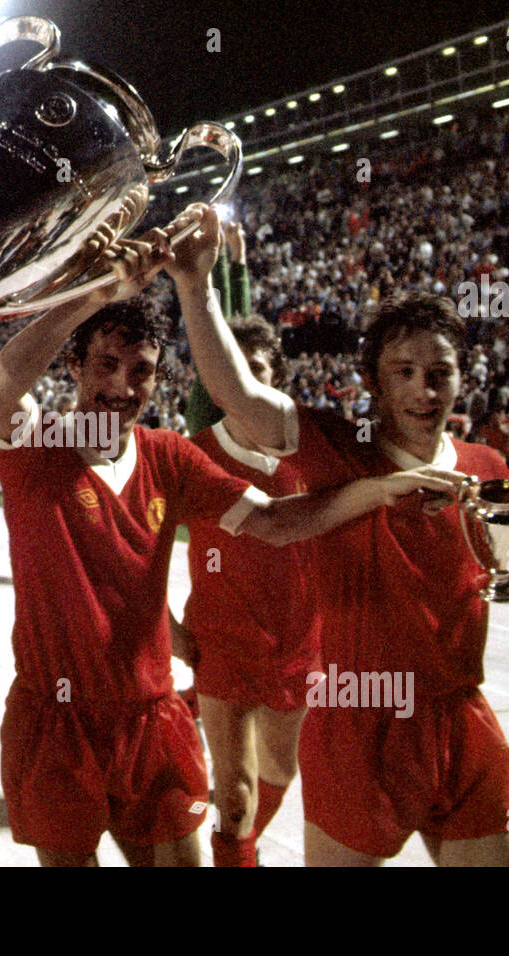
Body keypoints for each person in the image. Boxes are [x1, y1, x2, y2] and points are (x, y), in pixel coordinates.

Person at [0, 207, 455, 867]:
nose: (121, 386)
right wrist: (92, 295)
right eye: (106, 364)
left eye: (141, 370)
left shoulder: (168, 456)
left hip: (151, 714)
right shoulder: (35, 446)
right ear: (76, 367)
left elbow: (275, 523)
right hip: (56, 718)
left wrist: (379, 490)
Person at [183, 214, 509, 865]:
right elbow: (237, 392)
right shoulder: (344, 447)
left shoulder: (486, 467)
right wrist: (197, 286)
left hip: (459, 719)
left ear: (460, 376)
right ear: (374, 382)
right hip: (355, 729)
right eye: (405, 372)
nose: (426, 389)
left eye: (440, 372)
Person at [170, 315, 314, 867]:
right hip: (224, 647)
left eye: (255, 372)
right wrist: (170, 629)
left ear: (276, 379)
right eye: (233, 375)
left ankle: (240, 850)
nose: (245, 387)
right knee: (233, 800)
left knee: (279, 770)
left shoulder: (312, 453)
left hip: (300, 645)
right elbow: (140, 542)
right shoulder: (193, 455)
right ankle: (237, 848)